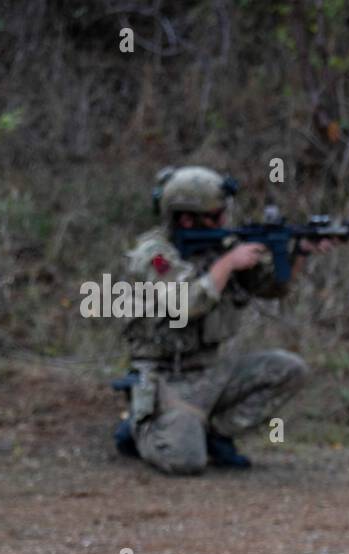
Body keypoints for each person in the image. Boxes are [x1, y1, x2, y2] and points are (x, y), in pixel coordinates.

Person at [114, 165, 327, 474]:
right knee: (184, 461)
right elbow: (184, 304)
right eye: (215, 217)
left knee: (288, 369)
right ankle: (140, 430)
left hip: (210, 370)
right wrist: (228, 264)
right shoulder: (155, 256)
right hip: (167, 377)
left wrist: (298, 251)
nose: (224, 222)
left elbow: (271, 288)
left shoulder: (221, 247)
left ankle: (215, 433)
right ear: (186, 219)